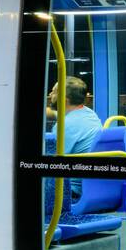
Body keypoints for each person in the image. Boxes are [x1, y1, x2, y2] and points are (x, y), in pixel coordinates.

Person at [45, 76, 101, 204]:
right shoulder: (89, 114)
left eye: (53, 92)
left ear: (64, 100)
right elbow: (65, 116)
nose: (50, 94)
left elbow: (52, 163)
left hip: (73, 192)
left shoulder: (64, 126)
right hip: (94, 189)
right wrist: (51, 113)